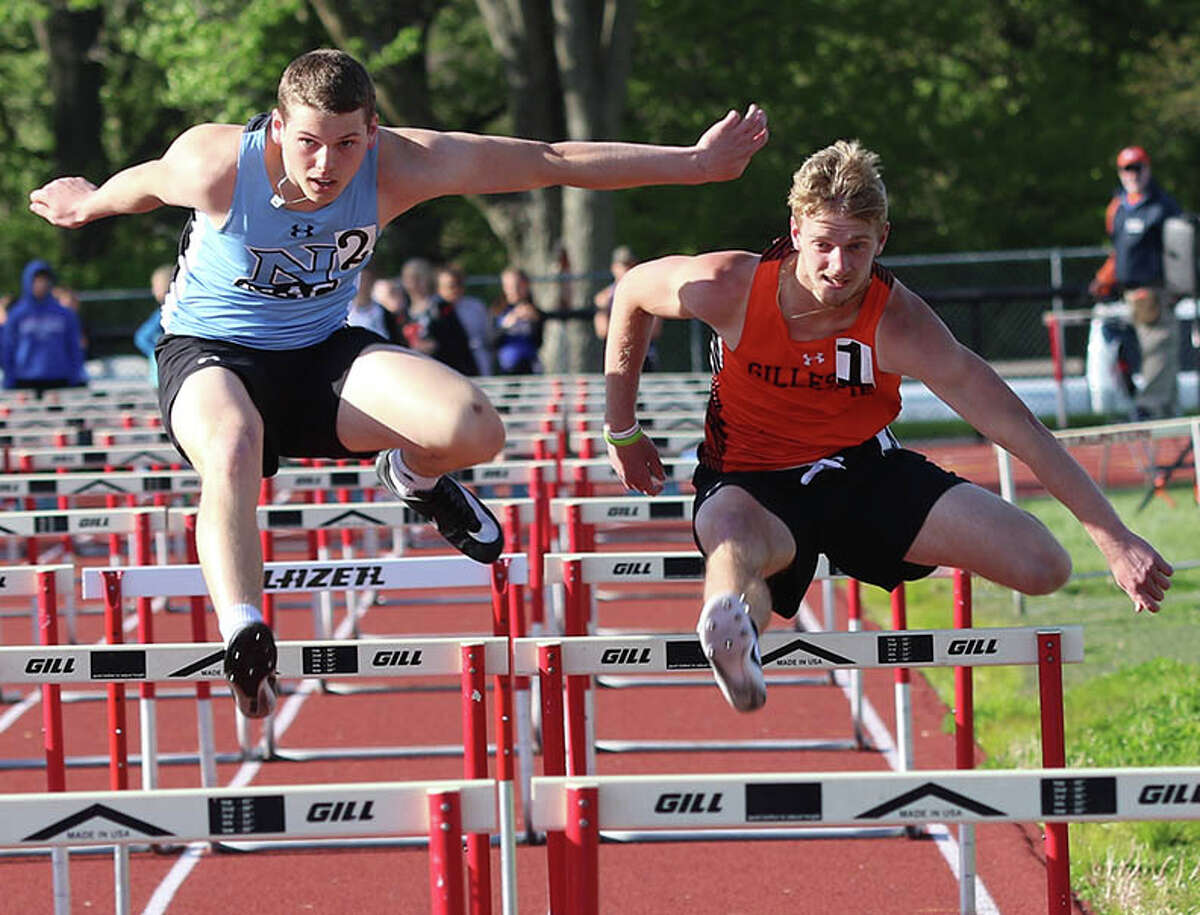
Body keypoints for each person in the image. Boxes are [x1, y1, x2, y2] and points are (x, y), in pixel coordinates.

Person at [29, 48, 767, 719]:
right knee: (233, 447)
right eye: (310, 142)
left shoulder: (403, 164)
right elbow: (143, 188)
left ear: (373, 132)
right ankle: (246, 633)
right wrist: (86, 201)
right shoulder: (216, 162)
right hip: (209, 353)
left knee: (475, 427)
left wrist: (694, 164)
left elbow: (550, 157)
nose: (327, 165)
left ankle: (414, 476)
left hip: (321, 352)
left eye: (348, 143)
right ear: (279, 127)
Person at [603, 139, 1172, 713]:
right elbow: (632, 293)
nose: (839, 266)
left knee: (1045, 566)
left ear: (883, 239)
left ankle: (760, 601)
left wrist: (1115, 539)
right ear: (796, 230)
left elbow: (1018, 427)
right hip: (750, 477)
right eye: (824, 244)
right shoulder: (731, 286)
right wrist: (621, 429)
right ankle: (731, 629)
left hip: (862, 471)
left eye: (857, 247)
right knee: (735, 540)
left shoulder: (901, 324)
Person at [1089, 146, 1182, 418]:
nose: (1132, 174)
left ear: (1148, 168)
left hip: (1153, 292)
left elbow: (1180, 251)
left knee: (1159, 350)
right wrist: (1102, 279)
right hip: (1124, 296)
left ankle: (1149, 409)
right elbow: (1118, 254)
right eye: (1126, 168)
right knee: (1123, 352)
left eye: (1137, 167)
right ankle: (1162, 413)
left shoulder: (1162, 206)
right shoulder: (1118, 207)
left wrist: (1178, 287)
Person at [2, 260, 88, 394]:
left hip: (59, 379)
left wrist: (75, 375)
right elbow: (8, 347)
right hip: (24, 380)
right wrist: (9, 377)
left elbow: (74, 347)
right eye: (37, 281)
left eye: (44, 281)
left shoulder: (64, 315)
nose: (41, 285)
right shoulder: (17, 315)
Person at [401, 257, 477, 374]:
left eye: (419, 278)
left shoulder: (441, 307)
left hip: (443, 368)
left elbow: (458, 340)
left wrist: (436, 345)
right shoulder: (403, 312)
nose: (414, 284)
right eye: (410, 279)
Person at [594, 245, 662, 370]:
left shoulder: (648, 294)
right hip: (616, 358)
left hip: (644, 357)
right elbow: (602, 330)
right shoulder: (604, 298)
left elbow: (654, 330)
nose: (626, 270)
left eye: (630, 265)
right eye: (623, 265)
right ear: (614, 268)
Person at [437, 263, 493, 375]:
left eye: (458, 284)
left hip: (476, 360)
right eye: (450, 286)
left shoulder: (475, 307)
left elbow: (487, 334)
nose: (454, 290)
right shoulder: (435, 310)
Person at [493, 266, 544, 374]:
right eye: (509, 286)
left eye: (518, 285)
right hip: (506, 368)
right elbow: (492, 341)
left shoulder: (532, 310)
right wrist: (506, 325)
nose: (514, 290)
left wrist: (536, 322)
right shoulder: (498, 310)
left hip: (529, 366)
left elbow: (538, 342)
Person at [133, 264, 174, 385]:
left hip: (163, 372)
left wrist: (157, 352)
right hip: (168, 370)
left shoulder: (164, 311)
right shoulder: (168, 311)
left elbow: (142, 337)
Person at [345, 266, 404, 343]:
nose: (364, 284)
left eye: (367, 280)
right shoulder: (345, 313)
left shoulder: (384, 314)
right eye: (361, 280)